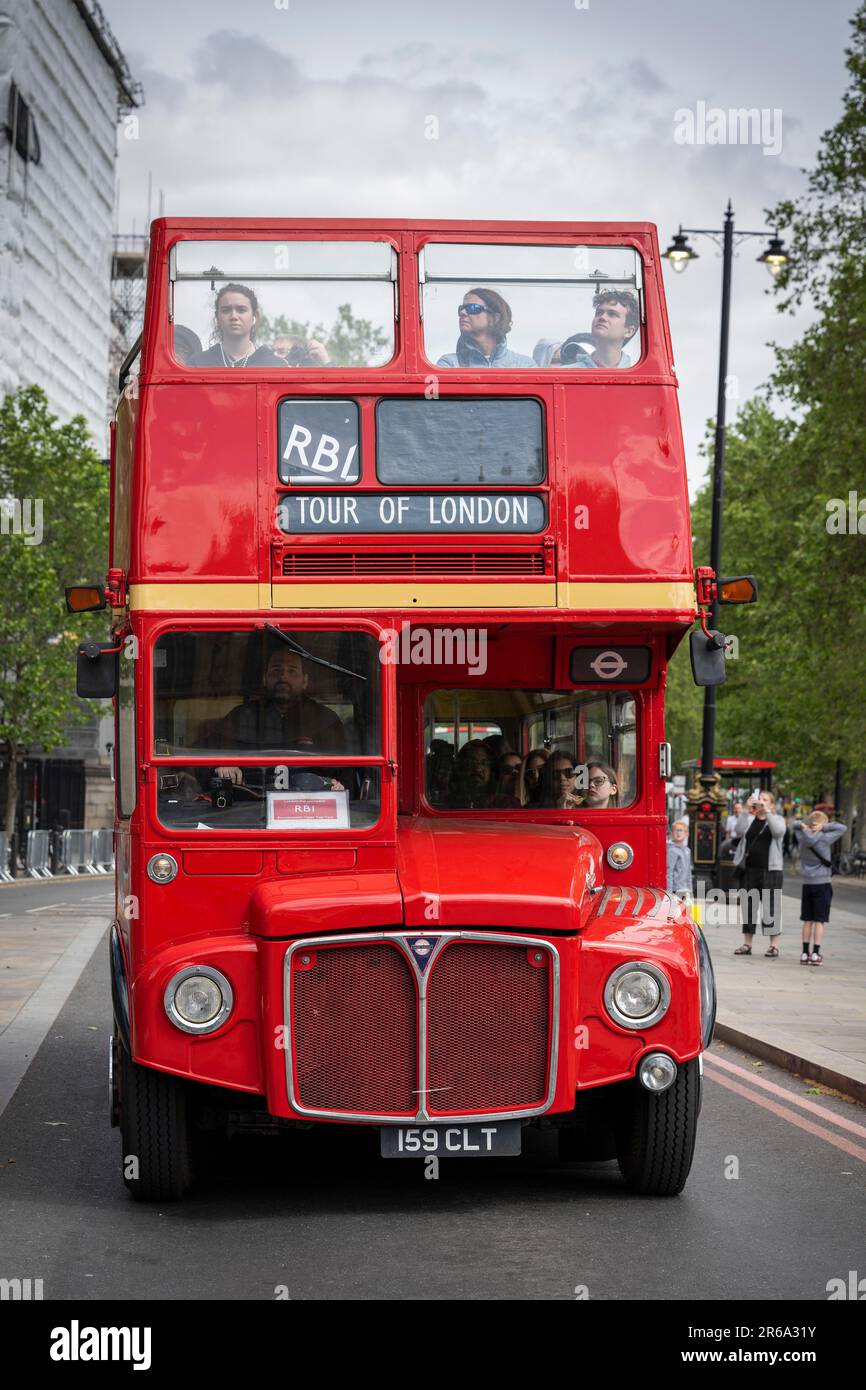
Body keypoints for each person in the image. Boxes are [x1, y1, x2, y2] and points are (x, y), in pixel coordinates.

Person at [211, 648, 346, 788]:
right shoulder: (241, 716)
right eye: (276, 670)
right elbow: (208, 753)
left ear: (305, 681)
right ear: (265, 678)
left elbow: (343, 770)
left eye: (292, 671)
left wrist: (337, 784)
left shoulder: (324, 719)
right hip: (251, 800)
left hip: (309, 802)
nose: (283, 677)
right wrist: (222, 765)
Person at [732, 790, 787, 957]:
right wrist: (746, 810)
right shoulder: (750, 818)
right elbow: (739, 830)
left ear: (771, 804)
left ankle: (774, 945)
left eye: (765, 799)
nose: (761, 801)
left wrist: (767, 812)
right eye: (759, 799)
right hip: (749, 869)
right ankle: (747, 943)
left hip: (771, 870)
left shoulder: (776, 819)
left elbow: (778, 832)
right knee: (748, 906)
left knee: (771, 908)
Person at [791, 810, 847, 965]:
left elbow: (793, 825)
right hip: (822, 882)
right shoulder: (824, 838)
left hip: (807, 883)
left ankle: (804, 953)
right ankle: (815, 954)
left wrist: (802, 825)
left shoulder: (801, 837)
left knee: (807, 919)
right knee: (819, 921)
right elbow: (842, 828)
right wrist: (824, 827)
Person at [437, 288, 535, 368]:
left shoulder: (524, 365)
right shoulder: (449, 364)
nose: (462, 313)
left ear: (494, 318)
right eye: (461, 309)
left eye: (473, 308)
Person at [193, 283, 285, 367]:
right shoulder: (198, 363)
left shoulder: (275, 365)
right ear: (217, 317)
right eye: (226, 310)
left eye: (241, 310)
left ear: (254, 316)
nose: (234, 316)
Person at [560, 289, 639, 370]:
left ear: (629, 331)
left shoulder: (638, 374)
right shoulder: (565, 372)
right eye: (599, 313)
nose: (602, 317)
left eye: (612, 314)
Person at [448, 740, 493, 808]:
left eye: (484, 763)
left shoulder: (502, 803)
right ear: (461, 767)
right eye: (472, 762)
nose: (478, 769)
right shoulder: (448, 801)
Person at [667, 820, 693, 897]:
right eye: (676, 831)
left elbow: (688, 871)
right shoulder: (672, 850)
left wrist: (690, 889)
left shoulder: (687, 850)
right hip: (675, 889)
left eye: (681, 831)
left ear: (686, 834)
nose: (678, 833)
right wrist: (669, 892)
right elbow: (669, 872)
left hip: (685, 888)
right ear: (671, 834)